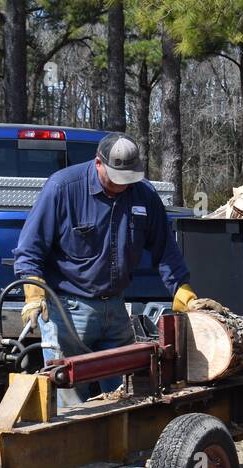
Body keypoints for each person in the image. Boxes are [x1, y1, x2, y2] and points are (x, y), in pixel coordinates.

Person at [13, 132, 214, 398]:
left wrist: (182, 288)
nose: (122, 186)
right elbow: (29, 249)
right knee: (71, 404)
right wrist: (34, 291)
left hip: (116, 309)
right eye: (117, 178)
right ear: (98, 163)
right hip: (68, 311)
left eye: (128, 180)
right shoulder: (63, 188)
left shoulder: (143, 195)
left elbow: (165, 249)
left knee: (127, 395)